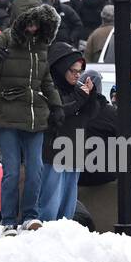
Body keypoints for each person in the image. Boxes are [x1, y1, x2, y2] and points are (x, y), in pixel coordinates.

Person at [0, 0, 63, 233]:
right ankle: (8, 219)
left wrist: (57, 105)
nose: (33, 27)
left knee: (35, 170)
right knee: (10, 171)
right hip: (7, 113)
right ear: (19, 20)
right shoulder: (5, 38)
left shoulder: (41, 45)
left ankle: (31, 215)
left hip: (34, 114)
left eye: (37, 22)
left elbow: (46, 79)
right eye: (28, 21)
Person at [38, 43, 100, 220]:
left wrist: (91, 96)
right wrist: (81, 99)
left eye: (79, 71)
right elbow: (59, 111)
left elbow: (91, 114)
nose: (77, 75)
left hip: (74, 151)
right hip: (54, 152)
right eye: (72, 70)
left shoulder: (76, 89)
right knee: (50, 202)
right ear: (60, 68)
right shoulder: (48, 90)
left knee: (68, 204)